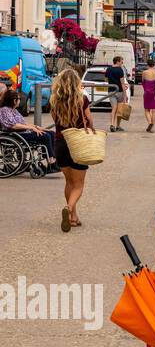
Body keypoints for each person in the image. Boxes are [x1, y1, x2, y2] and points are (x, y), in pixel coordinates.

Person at [50, 68, 94, 232]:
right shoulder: (82, 99)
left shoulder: (55, 100)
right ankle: (69, 208)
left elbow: (55, 120)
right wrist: (91, 127)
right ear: (77, 82)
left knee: (69, 181)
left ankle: (73, 217)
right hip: (78, 144)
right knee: (78, 184)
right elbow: (89, 119)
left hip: (60, 143)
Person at [0, 87, 56, 170]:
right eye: (18, 99)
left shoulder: (13, 110)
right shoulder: (4, 110)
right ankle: (51, 162)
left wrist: (37, 127)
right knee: (45, 136)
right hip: (14, 135)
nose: (19, 101)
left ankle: (53, 159)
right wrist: (31, 128)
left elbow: (23, 123)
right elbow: (13, 125)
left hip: (21, 133)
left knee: (51, 133)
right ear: (13, 100)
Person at [105, 56, 129, 132]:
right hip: (119, 91)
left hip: (111, 91)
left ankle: (112, 124)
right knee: (119, 109)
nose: (122, 63)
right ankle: (118, 126)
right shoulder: (120, 70)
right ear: (117, 61)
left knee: (114, 109)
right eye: (121, 61)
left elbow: (106, 79)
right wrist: (125, 95)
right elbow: (122, 83)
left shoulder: (108, 69)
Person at [140, 61, 155, 132]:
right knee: (154, 110)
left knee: (147, 109)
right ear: (154, 65)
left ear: (147, 65)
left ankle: (150, 123)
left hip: (147, 93)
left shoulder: (144, 72)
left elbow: (143, 82)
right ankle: (152, 126)